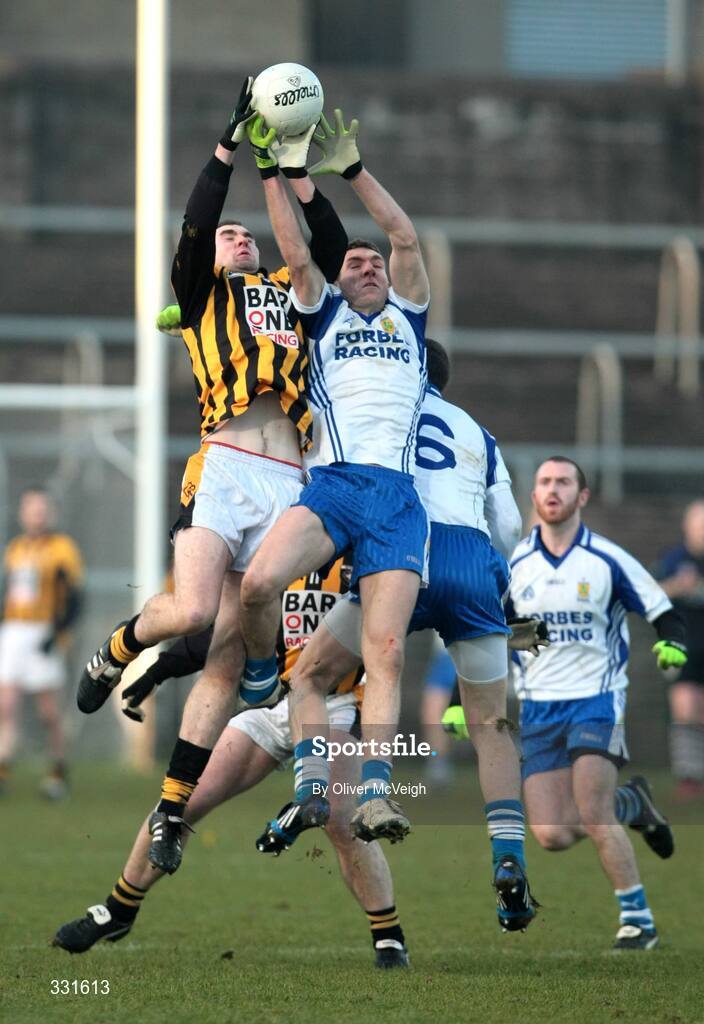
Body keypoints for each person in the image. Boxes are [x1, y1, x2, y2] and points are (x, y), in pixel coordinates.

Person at [75, 78, 348, 875]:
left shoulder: (292, 298)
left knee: (228, 659)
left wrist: (296, 172)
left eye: (244, 235)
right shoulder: (199, 297)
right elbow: (195, 224)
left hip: (290, 480)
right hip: (225, 463)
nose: (237, 239)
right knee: (196, 611)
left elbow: (323, 252)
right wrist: (228, 149)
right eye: (229, 235)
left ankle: (168, 811)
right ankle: (118, 647)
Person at [258, 340, 541, 933]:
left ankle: (314, 786)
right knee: (491, 725)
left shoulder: (380, 416)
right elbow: (510, 526)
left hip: (400, 554)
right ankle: (509, 860)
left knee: (310, 674)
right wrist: (494, 587)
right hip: (472, 565)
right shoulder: (478, 432)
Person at [53, 558, 410, 969]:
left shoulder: (360, 546)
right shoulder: (279, 545)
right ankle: (119, 910)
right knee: (181, 803)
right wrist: (160, 670)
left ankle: (388, 936)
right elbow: (227, 632)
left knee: (341, 819)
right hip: (278, 702)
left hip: (340, 703)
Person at [238, 110, 430, 846]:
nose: (369, 264)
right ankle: (261, 674)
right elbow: (294, 251)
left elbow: (405, 235)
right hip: (337, 486)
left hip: (397, 502)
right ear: (338, 280)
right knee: (258, 585)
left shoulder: (408, 319)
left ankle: (375, 792)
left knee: (384, 651)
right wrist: (268, 170)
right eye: (354, 262)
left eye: (373, 261)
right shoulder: (323, 319)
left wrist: (351, 170)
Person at [506, 456, 686, 950]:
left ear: (582, 496)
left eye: (563, 482)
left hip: (596, 699)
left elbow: (662, 610)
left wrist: (674, 642)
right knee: (553, 834)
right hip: (538, 707)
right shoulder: (515, 565)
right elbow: (491, 638)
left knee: (591, 811)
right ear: (534, 496)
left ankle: (638, 920)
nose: (552, 489)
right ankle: (635, 802)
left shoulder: (606, 558)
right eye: (544, 482)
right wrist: (461, 701)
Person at [0, 487, 83, 799]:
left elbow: (74, 597)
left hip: (41, 631)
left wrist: (57, 632)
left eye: (41, 508)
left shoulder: (62, 549)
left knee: (48, 711)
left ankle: (57, 770)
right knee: (5, 705)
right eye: (30, 508)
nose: (36, 514)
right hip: (13, 630)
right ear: (22, 513)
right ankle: (3, 766)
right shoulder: (15, 549)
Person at [654, 499, 704, 799]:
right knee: (685, 706)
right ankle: (688, 775)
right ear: (687, 527)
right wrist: (676, 586)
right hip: (681, 646)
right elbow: (651, 594)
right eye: (699, 525)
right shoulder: (674, 559)